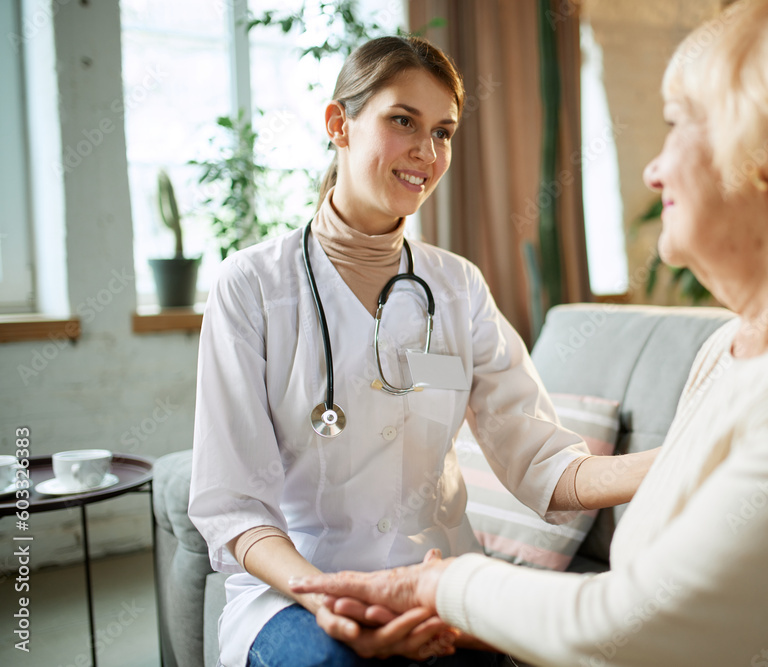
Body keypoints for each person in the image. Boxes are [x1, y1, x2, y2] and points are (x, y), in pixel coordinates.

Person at [289, 1, 768, 665]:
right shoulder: (738, 343)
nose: (654, 171)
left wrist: (442, 586)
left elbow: (632, 625)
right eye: (402, 121)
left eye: (675, 122)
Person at [188, 35, 657, 667]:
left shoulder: (457, 287)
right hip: (297, 589)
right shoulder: (252, 287)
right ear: (339, 125)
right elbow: (233, 505)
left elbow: (545, 462)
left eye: (443, 131)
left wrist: (689, 455)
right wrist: (328, 597)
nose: (426, 152)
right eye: (402, 121)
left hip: (437, 580)